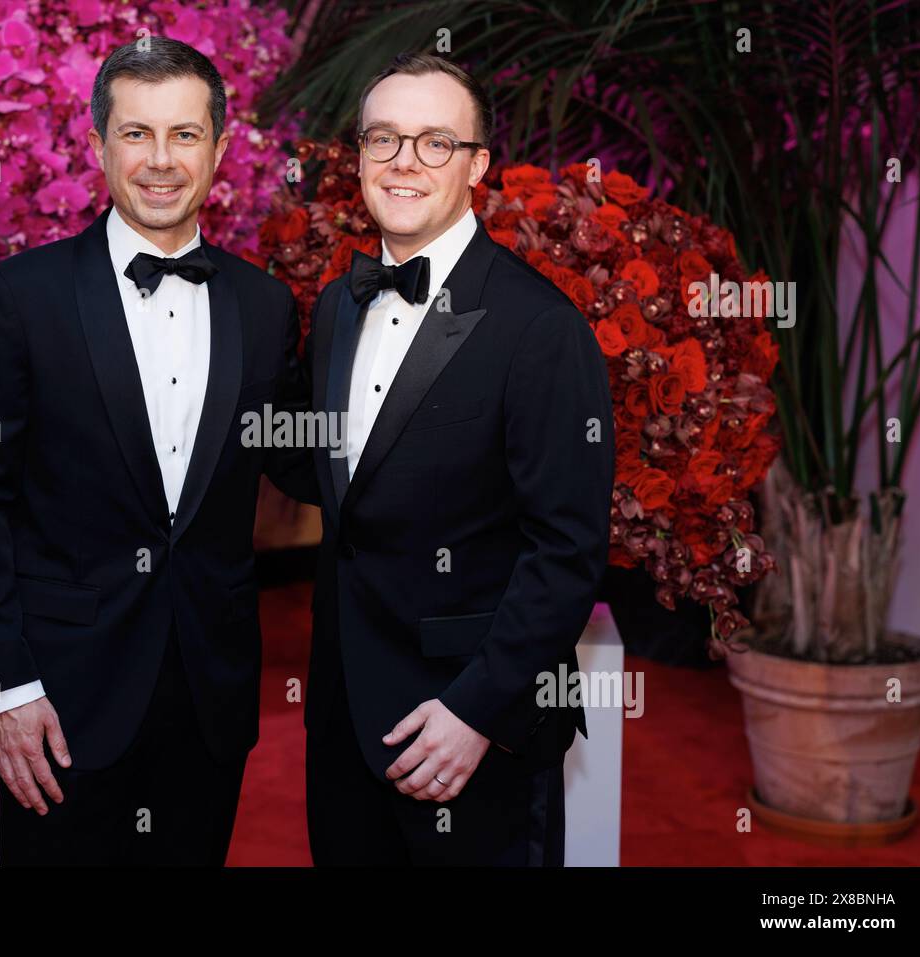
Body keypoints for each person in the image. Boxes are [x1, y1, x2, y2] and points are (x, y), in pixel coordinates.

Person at [0, 36, 311, 866]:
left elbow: (301, 460)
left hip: (208, 695)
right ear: (99, 144)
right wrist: (4, 683)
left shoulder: (264, 306)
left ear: (220, 149)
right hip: (60, 699)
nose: (160, 160)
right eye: (136, 133)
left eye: (184, 134)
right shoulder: (19, 298)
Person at [301, 53, 614, 866]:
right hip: (341, 719)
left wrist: (476, 711)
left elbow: (568, 550)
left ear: (477, 166)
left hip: (472, 729)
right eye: (384, 139)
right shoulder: (339, 304)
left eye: (435, 142)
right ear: (359, 157)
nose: (405, 161)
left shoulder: (541, 328)